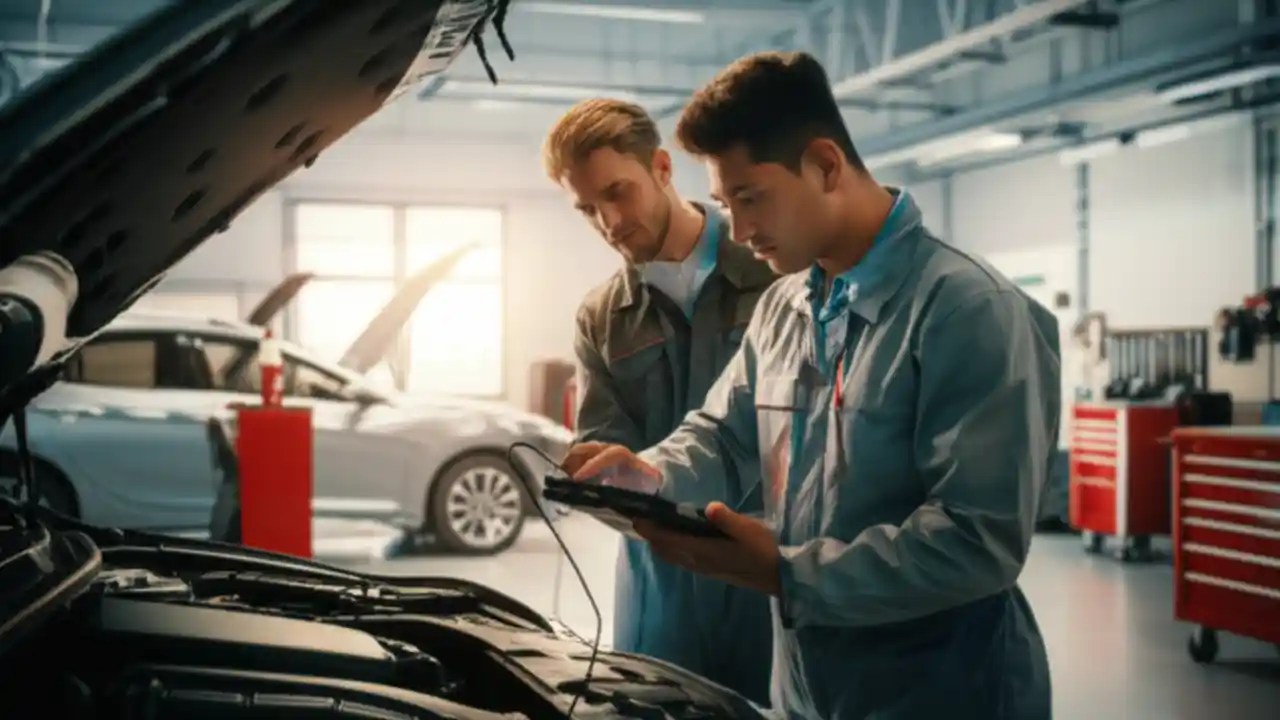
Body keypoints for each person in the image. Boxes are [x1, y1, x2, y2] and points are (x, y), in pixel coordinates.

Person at [563, 52, 1060, 720]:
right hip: (807, 688)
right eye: (721, 203)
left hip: (943, 691)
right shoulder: (785, 306)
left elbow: (978, 540)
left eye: (749, 198)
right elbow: (724, 435)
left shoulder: (968, 309)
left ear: (825, 166)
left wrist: (784, 572)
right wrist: (648, 476)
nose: (736, 229)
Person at [542, 98, 777, 704]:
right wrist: (595, 476)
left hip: (768, 569)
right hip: (659, 582)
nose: (609, 222)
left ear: (664, 169)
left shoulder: (775, 276)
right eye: (588, 209)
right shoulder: (601, 317)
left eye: (618, 193)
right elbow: (602, 448)